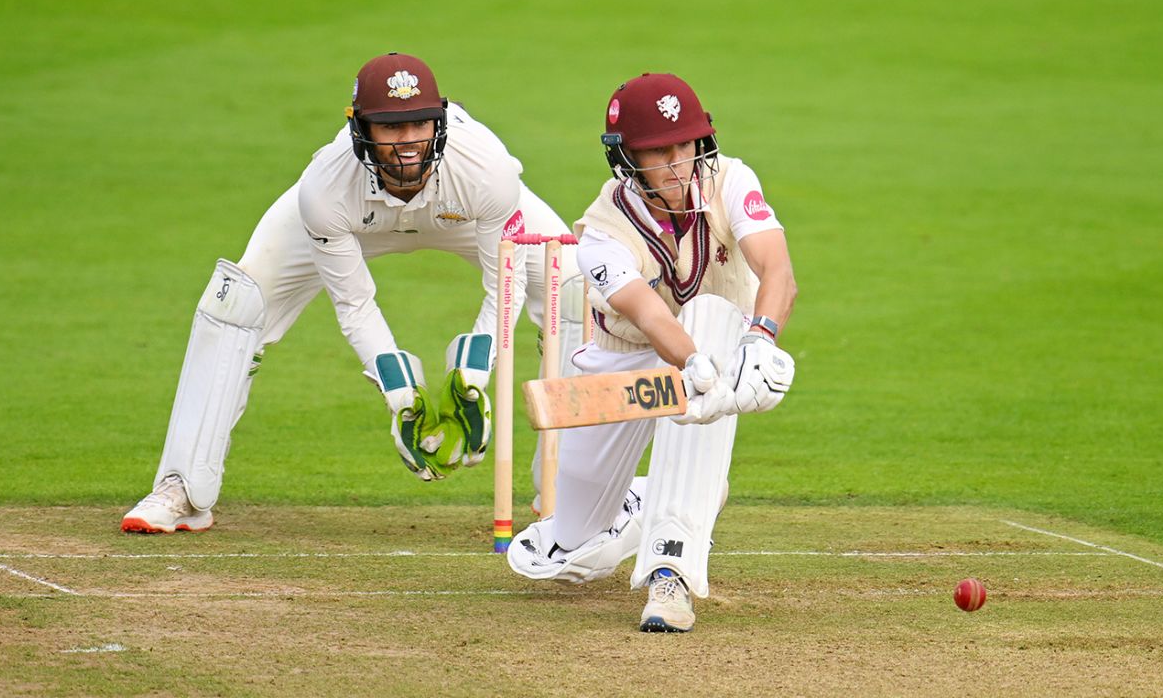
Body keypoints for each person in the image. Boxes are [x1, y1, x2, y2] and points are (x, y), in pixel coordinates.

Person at [122, 52, 581, 533]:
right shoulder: (324, 188)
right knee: (236, 302)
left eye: (419, 124)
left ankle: (567, 486)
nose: (408, 143)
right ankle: (180, 488)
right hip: (355, 214)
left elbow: (503, 285)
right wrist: (399, 390)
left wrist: (472, 373)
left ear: (440, 122)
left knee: (574, 289)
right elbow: (354, 302)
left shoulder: (486, 170)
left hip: (461, 209)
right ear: (361, 128)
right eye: (390, 128)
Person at [507, 72, 798, 633]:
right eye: (656, 151)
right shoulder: (601, 232)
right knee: (575, 549)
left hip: (717, 343)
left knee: (712, 317)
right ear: (626, 158)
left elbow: (777, 270)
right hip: (629, 362)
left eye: (684, 146)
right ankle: (641, 501)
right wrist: (696, 367)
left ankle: (672, 576)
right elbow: (650, 315)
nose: (676, 162)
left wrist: (760, 341)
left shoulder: (732, 181)